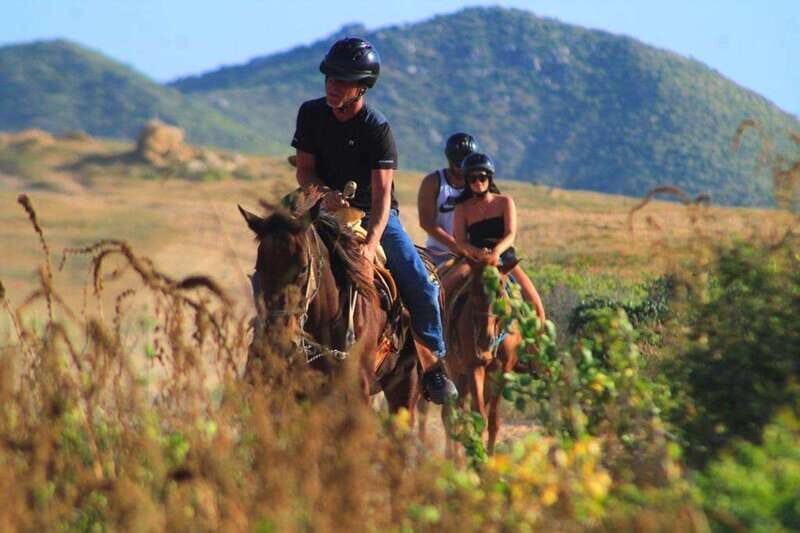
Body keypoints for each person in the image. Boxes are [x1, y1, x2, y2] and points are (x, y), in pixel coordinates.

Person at [290, 37, 457, 404]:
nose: (333, 87)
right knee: (279, 252)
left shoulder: (376, 128)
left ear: (362, 87)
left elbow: (383, 200)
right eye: (330, 79)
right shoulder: (310, 113)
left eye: (342, 81)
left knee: (422, 282)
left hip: (372, 215)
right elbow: (304, 171)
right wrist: (322, 193)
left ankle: (433, 366)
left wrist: (369, 245)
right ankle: (267, 351)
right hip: (322, 207)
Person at [446, 153, 546, 323]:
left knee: (535, 305)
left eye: (482, 177)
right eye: (472, 179)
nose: (478, 182)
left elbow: (510, 234)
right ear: (467, 182)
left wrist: (495, 252)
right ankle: (438, 342)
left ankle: (536, 347)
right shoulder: (462, 208)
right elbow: (461, 241)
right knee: (442, 292)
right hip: (473, 260)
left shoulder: (505, 202)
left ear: (489, 178)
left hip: (503, 258)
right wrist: (478, 253)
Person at [417, 132, 477, 265]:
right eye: (458, 164)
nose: (462, 169)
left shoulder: (479, 182)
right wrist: (455, 245)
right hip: (439, 254)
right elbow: (427, 222)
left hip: (474, 253)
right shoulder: (433, 182)